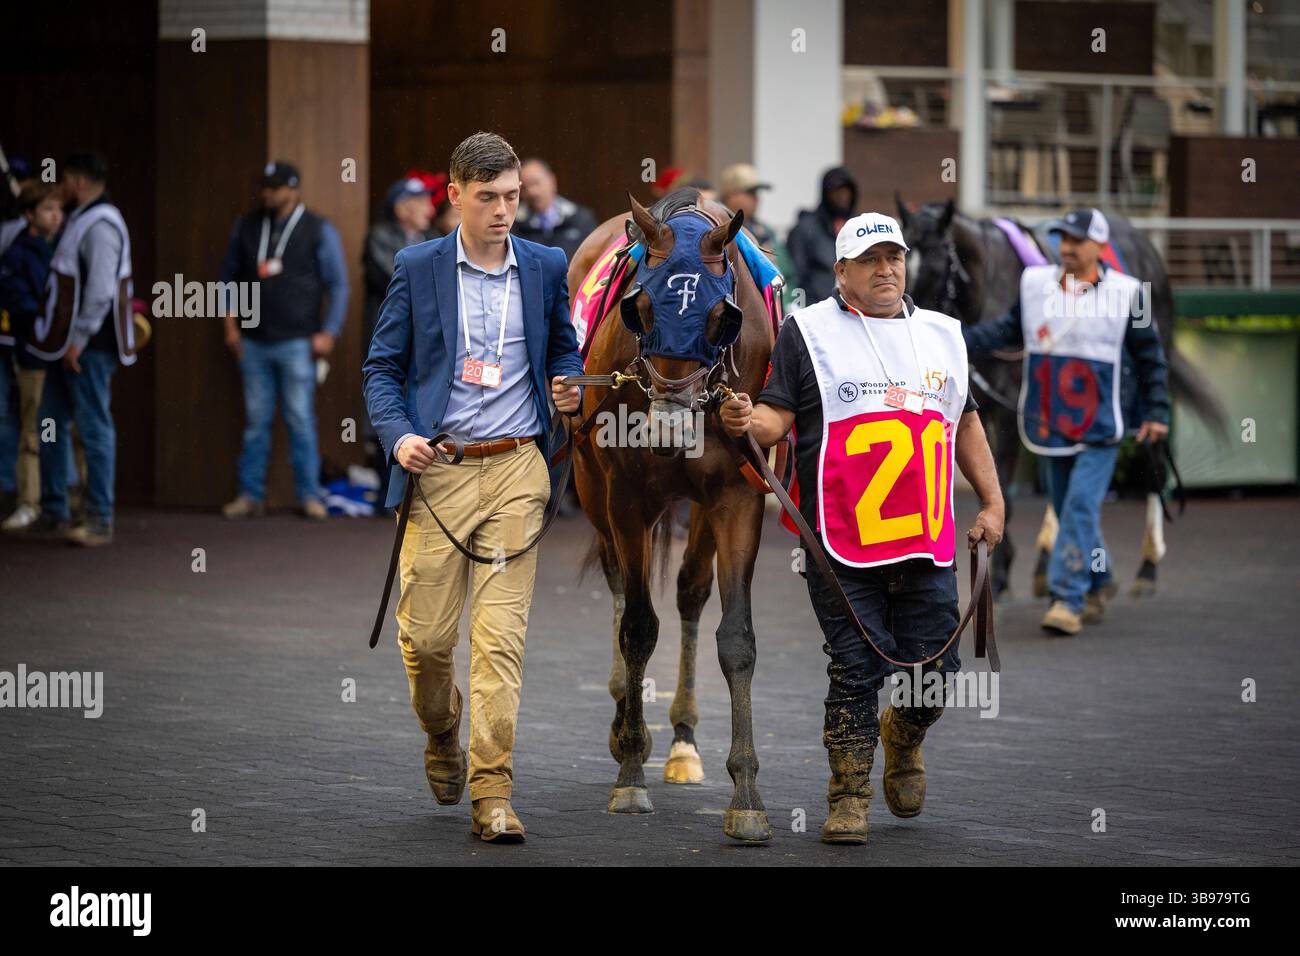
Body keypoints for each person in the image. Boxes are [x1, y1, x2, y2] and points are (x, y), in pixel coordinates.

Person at [719, 212, 1005, 846]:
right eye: (870, 260)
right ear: (841, 271)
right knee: (853, 669)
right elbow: (774, 420)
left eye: (894, 258)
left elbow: (967, 423)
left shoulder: (942, 335)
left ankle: (902, 736)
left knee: (938, 671)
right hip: (837, 543)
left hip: (924, 539)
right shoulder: (808, 332)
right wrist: (743, 419)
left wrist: (992, 500)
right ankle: (848, 796)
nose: (886, 270)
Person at [363, 132, 584, 844]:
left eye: (513, 196)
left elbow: (563, 349)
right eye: (487, 197)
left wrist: (569, 385)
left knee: (499, 643)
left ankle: (493, 792)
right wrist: (399, 436)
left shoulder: (547, 265)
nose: (503, 211)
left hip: (520, 468)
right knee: (426, 643)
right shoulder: (418, 265)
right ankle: (441, 729)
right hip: (439, 472)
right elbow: (381, 369)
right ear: (453, 196)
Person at [962, 208, 1169, 635]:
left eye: (1076, 241)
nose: (1067, 248)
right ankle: (1100, 576)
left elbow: (1151, 356)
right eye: (1063, 239)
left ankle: (1066, 597)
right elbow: (1009, 330)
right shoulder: (1037, 286)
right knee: (1071, 508)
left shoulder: (1129, 294)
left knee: (1077, 505)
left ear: (1098, 245)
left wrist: (1157, 412)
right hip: (1048, 424)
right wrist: (953, 339)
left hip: (1099, 428)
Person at [218, 161, 349, 520]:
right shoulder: (247, 225)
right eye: (264, 187)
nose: (267, 193)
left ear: (293, 189)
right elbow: (225, 278)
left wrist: (329, 331)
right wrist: (230, 327)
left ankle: (309, 496)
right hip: (253, 339)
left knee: (300, 419)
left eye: (275, 187)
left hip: (297, 340)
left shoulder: (316, 228)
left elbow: (338, 284)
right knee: (256, 421)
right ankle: (250, 495)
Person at [26, 153, 136, 546]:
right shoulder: (83, 218)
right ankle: (55, 507)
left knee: (93, 425)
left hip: (88, 345)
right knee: (51, 422)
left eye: (65, 180)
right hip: (66, 343)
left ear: (77, 181)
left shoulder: (101, 224)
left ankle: (99, 517)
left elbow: (102, 289)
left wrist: (81, 338)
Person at [0, 182, 63, 530]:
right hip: (35, 354)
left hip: (67, 353)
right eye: (48, 210)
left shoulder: (69, 247)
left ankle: (68, 497)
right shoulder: (18, 254)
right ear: (29, 215)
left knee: (67, 430)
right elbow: (18, 303)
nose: (56, 216)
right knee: (33, 429)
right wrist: (46, 325)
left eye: (59, 209)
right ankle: (30, 501)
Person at [719, 162, 798, 291]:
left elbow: (788, 275)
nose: (756, 198)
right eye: (750, 192)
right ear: (730, 195)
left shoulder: (766, 231)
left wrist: (785, 302)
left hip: (773, 303)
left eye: (757, 193)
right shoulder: (718, 231)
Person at [786, 165, 859, 303]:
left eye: (847, 191)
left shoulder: (858, 227)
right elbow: (796, 274)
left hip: (855, 310)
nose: (843, 196)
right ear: (826, 193)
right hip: (815, 309)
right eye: (837, 191)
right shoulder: (805, 228)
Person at [513, 158, 597, 263]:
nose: (532, 192)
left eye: (536, 183)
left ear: (552, 181)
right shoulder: (514, 225)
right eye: (525, 187)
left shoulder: (580, 219)